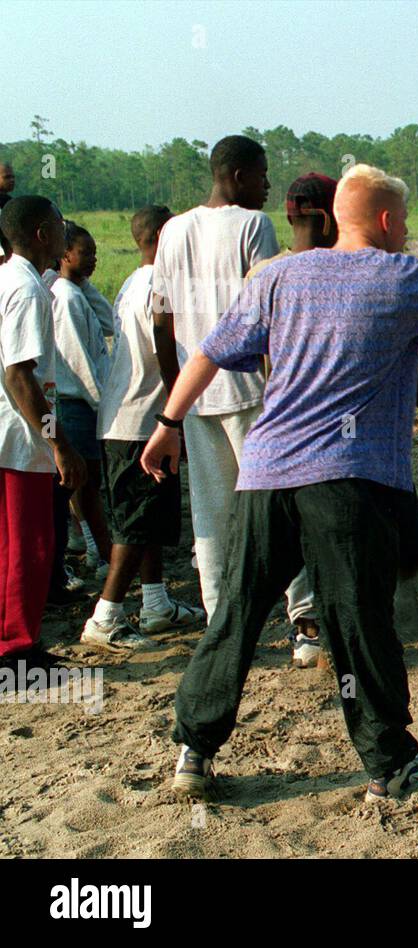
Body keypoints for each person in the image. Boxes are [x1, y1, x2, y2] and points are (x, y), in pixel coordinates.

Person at [142, 163, 418, 802]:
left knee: (237, 611)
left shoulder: (279, 276)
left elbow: (207, 352)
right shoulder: (403, 277)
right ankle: (391, 763)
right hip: (345, 482)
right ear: (390, 222)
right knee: (357, 621)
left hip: (264, 476)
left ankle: (193, 751)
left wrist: (169, 422)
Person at [150, 134, 319, 666]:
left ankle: (221, 631)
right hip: (251, 393)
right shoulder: (253, 226)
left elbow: (161, 319)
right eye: (264, 174)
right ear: (240, 175)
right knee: (282, 505)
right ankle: (306, 622)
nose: (269, 185)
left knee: (213, 515)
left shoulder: (173, 229)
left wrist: (176, 399)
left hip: (196, 397)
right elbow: (276, 309)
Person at [84, 205, 205, 647]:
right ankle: (106, 616)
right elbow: (165, 344)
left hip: (127, 415)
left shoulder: (132, 283)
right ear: (159, 235)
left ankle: (155, 604)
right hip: (140, 419)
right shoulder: (160, 283)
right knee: (134, 525)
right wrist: (179, 408)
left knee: (148, 518)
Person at [0, 195, 85, 670]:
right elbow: (18, 374)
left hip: (10, 432)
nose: (64, 232)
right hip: (20, 436)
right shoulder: (27, 290)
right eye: (58, 224)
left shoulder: (12, 277)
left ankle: (11, 643)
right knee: (28, 545)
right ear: (39, 234)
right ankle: (16, 651)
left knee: (11, 544)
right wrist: (59, 443)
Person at [46, 222, 114, 604]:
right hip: (77, 405)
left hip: (82, 404)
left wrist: (85, 283)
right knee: (79, 484)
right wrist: (102, 403)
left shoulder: (76, 293)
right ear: (65, 254)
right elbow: (78, 362)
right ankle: (93, 552)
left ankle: (94, 549)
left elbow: (108, 321)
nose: (93, 259)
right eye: (85, 253)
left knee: (85, 484)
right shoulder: (66, 298)